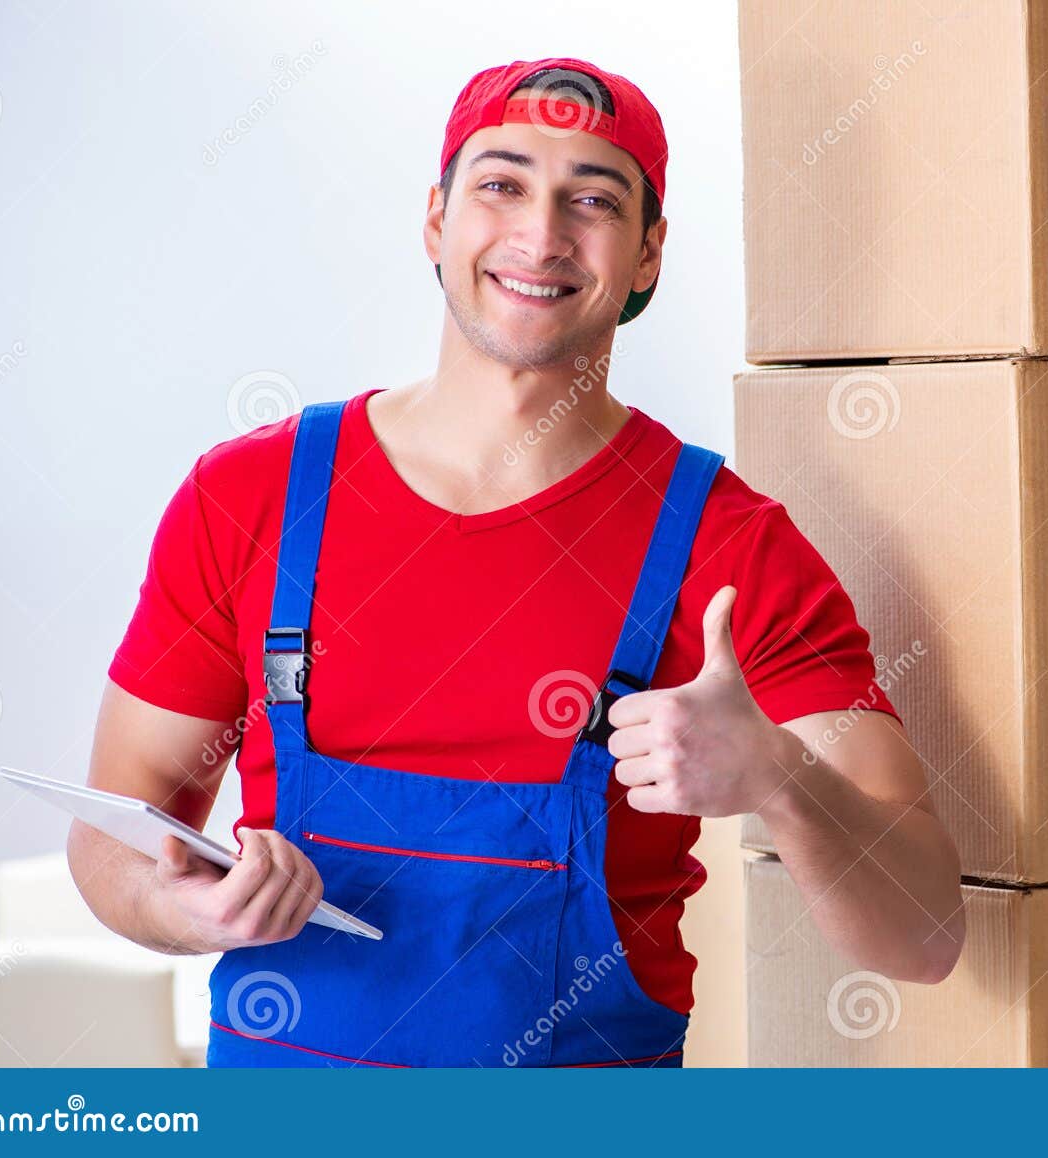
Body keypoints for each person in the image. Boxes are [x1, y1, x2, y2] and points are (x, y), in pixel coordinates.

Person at [68, 56, 963, 1068]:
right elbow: (115, 831)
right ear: (436, 218)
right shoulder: (252, 498)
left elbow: (926, 935)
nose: (541, 235)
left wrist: (780, 775)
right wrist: (185, 910)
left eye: (592, 199)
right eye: (502, 185)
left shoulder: (730, 547)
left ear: (647, 256)